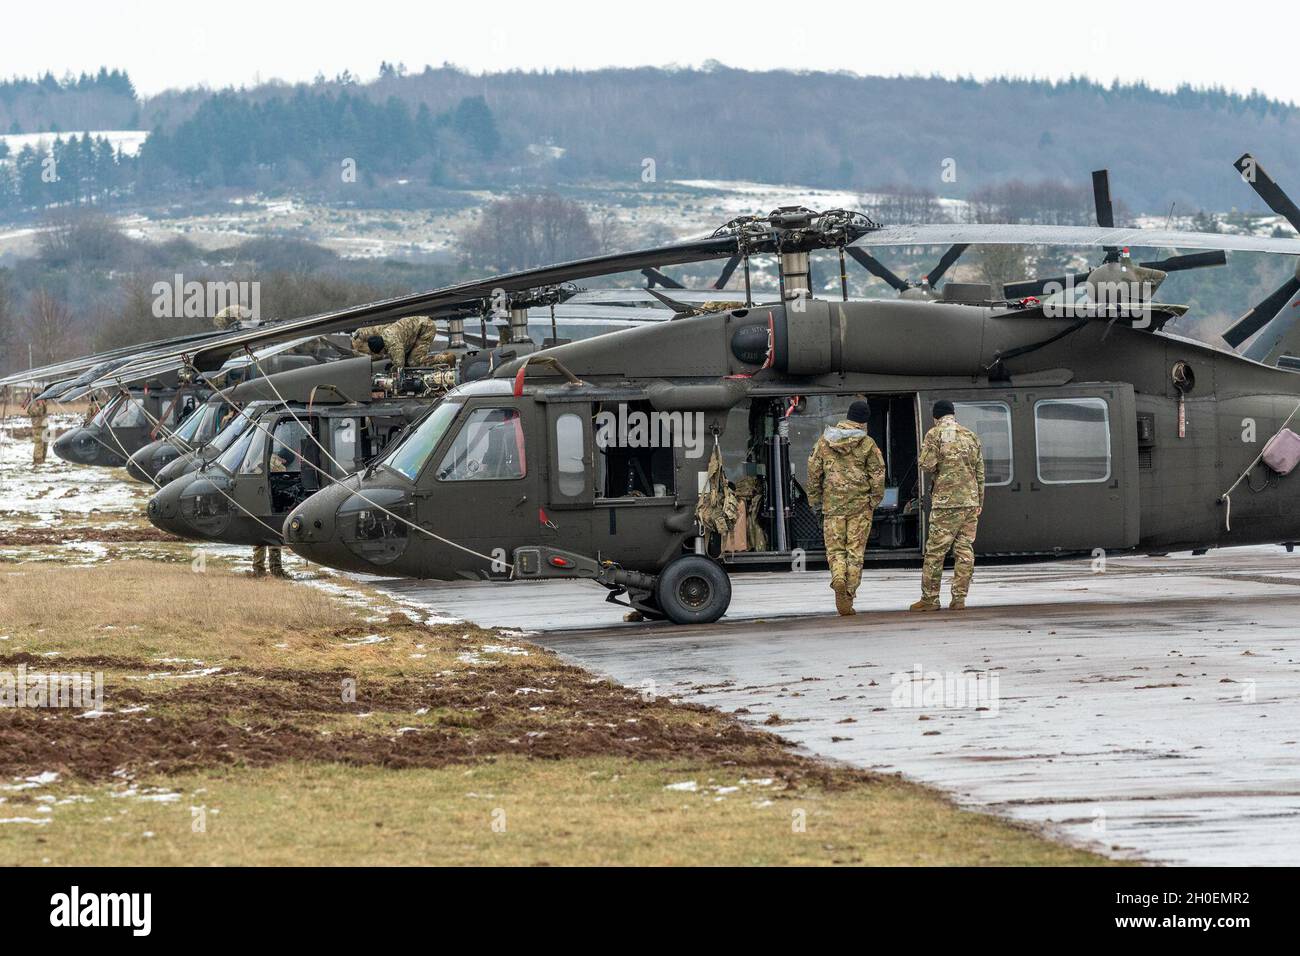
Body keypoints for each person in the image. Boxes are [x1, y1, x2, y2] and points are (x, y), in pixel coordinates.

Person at [807, 399, 886, 616]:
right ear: (864, 421)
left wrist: (815, 501)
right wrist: (874, 500)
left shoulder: (825, 441)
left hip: (832, 507)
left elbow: (813, 473)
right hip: (860, 507)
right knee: (855, 552)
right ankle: (848, 595)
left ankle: (838, 577)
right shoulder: (868, 443)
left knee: (835, 551)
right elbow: (878, 474)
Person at [911, 400, 984, 612]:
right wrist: (979, 500)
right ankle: (959, 598)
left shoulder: (934, 434)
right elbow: (980, 472)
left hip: (946, 504)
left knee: (935, 552)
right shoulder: (970, 435)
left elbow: (927, 465)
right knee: (964, 550)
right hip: (970, 502)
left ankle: (930, 599)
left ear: (936, 417)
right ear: (953, 414)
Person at [351, 316, 440, 370]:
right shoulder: (384, 333)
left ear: (382, 348)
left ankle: (443, 359)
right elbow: (373, 329)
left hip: (426, 329)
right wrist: (360, 333)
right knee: (408, 357)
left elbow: (399, 365)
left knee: (413, 361)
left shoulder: (394, 345)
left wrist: (392, 369)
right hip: (418, 326)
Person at [26, 396, 49, 466]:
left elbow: (44, 412)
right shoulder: (33, 406)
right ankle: (37, 460)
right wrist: (40, 404)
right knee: (39, 444)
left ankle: (43, 459)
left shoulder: (41, 404)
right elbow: (38, 412)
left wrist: (43, 403)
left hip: (44, 426)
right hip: (38, 428)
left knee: (45, 444)